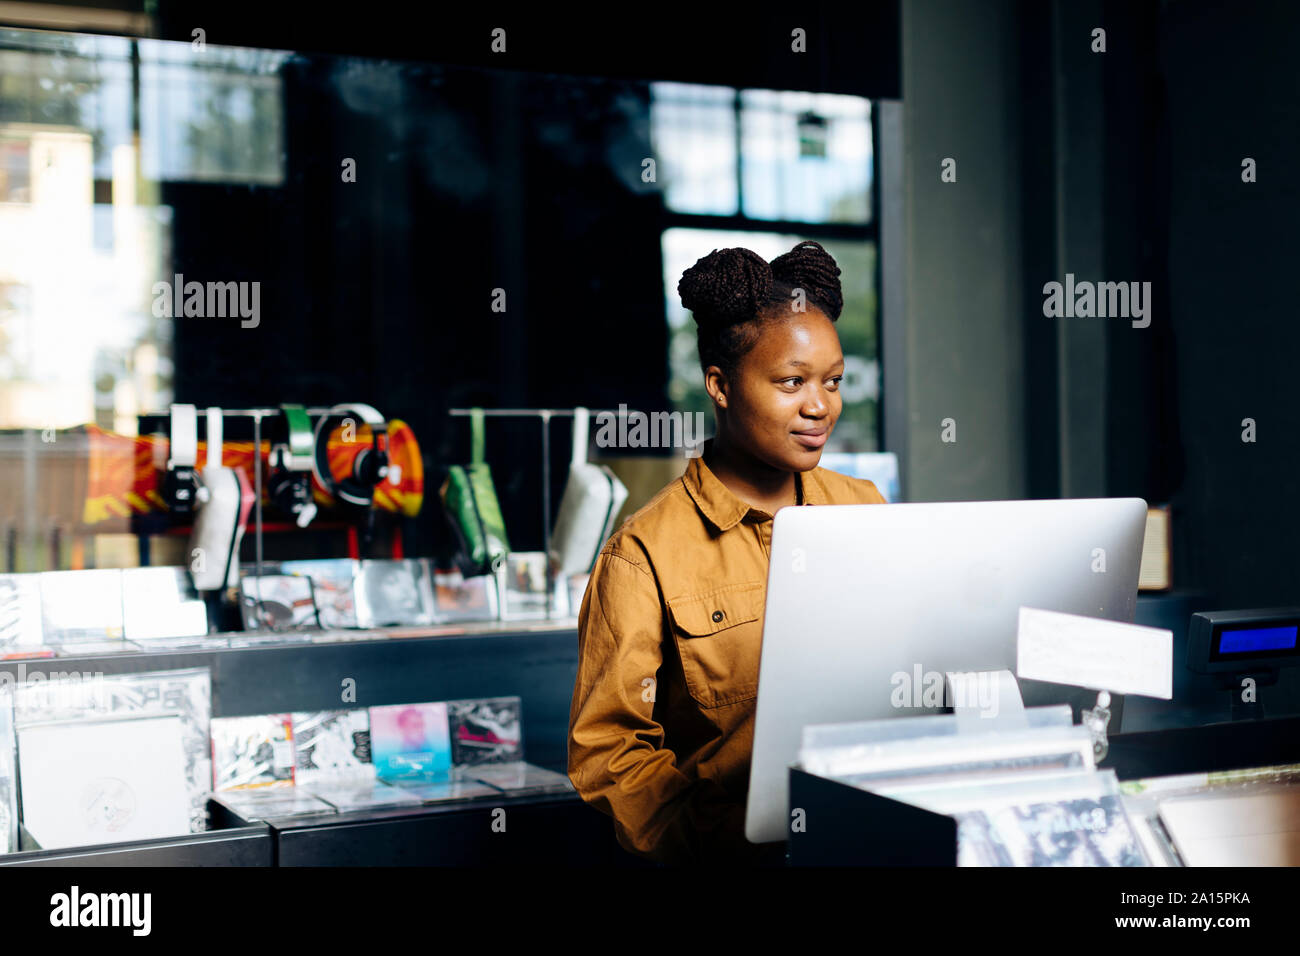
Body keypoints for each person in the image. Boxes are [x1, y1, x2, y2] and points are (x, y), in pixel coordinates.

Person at [567, 240, 888, 865]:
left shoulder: (865, 508)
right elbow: (608, 753)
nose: (820, 406)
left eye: (832, 381)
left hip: (872, 836)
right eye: (791, 382)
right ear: (719, 384)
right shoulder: (642, 554)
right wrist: (711, 848)